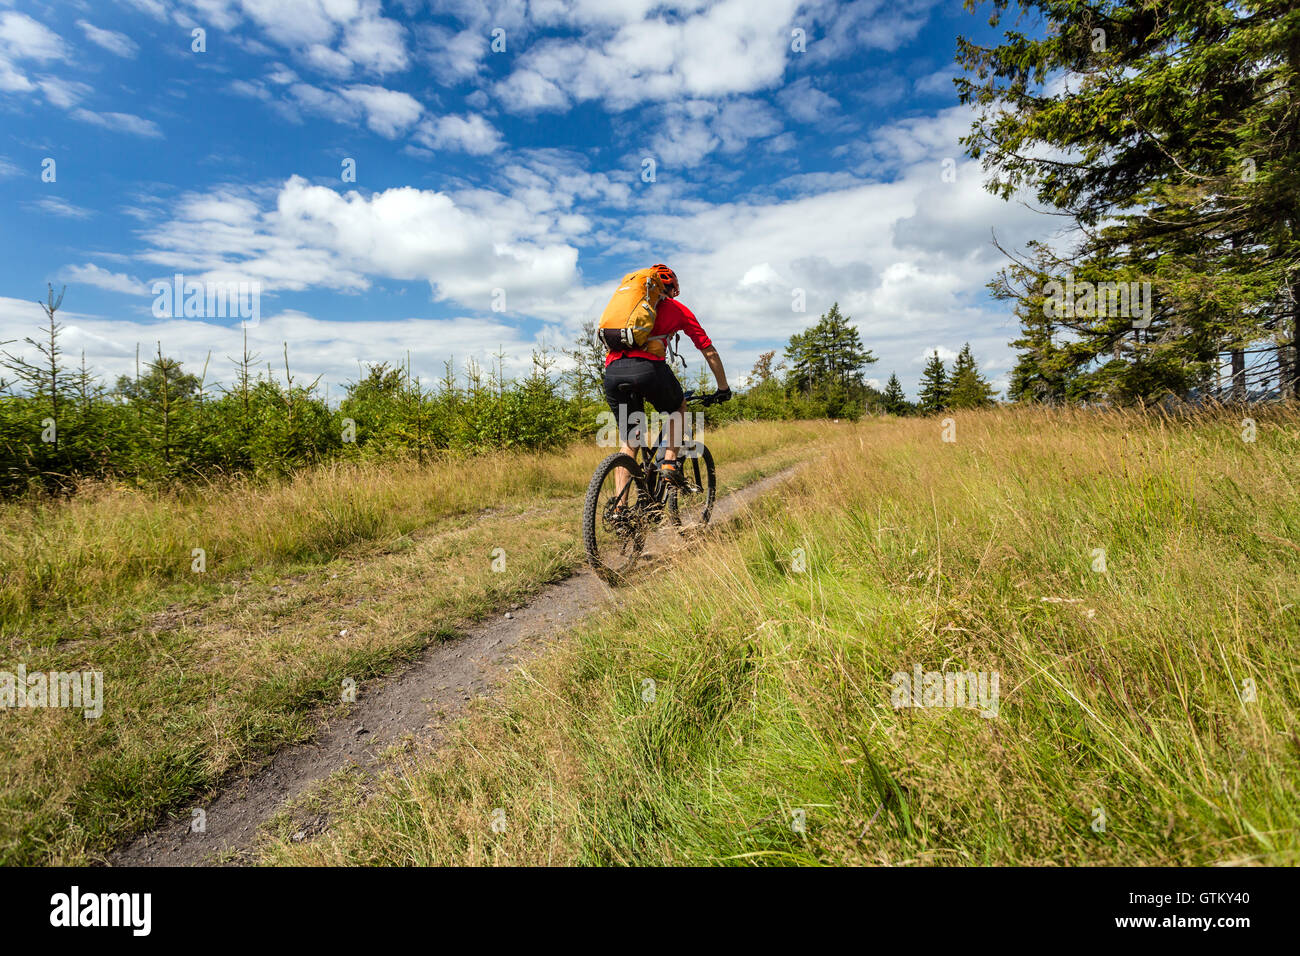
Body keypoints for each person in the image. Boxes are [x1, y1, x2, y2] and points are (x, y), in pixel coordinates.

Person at [602, 264, 730, 495]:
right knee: (678, 407)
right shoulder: (676, 309)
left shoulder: (627, 310)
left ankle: (619, 511)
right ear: (669, 289)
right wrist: (723, 387)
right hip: (648, 369)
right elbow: (707, 349)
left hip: (612, 371)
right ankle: (670, 462)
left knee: (630, 441)